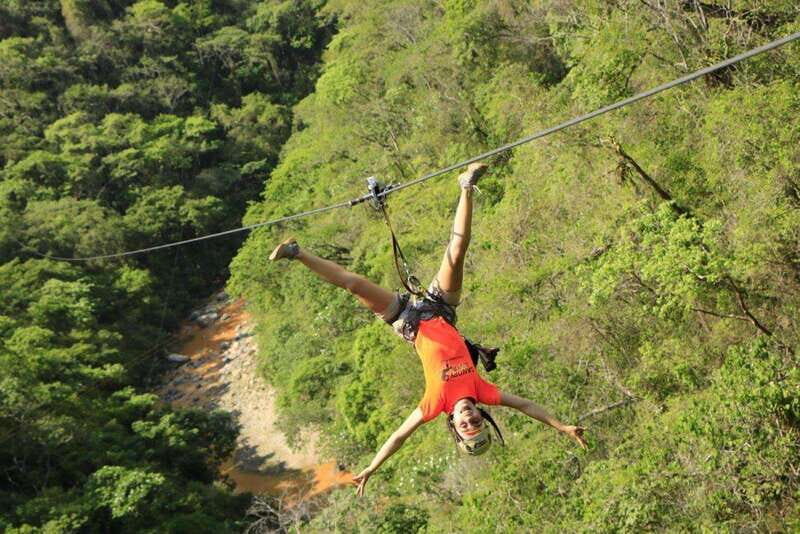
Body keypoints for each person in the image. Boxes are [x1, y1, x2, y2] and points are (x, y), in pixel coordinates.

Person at [269, 163, 587, 497]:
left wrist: (372, 469)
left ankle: (296, 252)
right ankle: (466, 184)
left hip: (407, 321)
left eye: (465, 427)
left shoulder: (434, 404)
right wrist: (562, 427)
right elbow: (526, 406)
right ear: (481, 415)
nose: (469, 421)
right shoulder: (483, 391)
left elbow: (398, 437)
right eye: (477, 423)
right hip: (440, 309)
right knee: (457, 251)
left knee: (354, 284)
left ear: (455, 425)